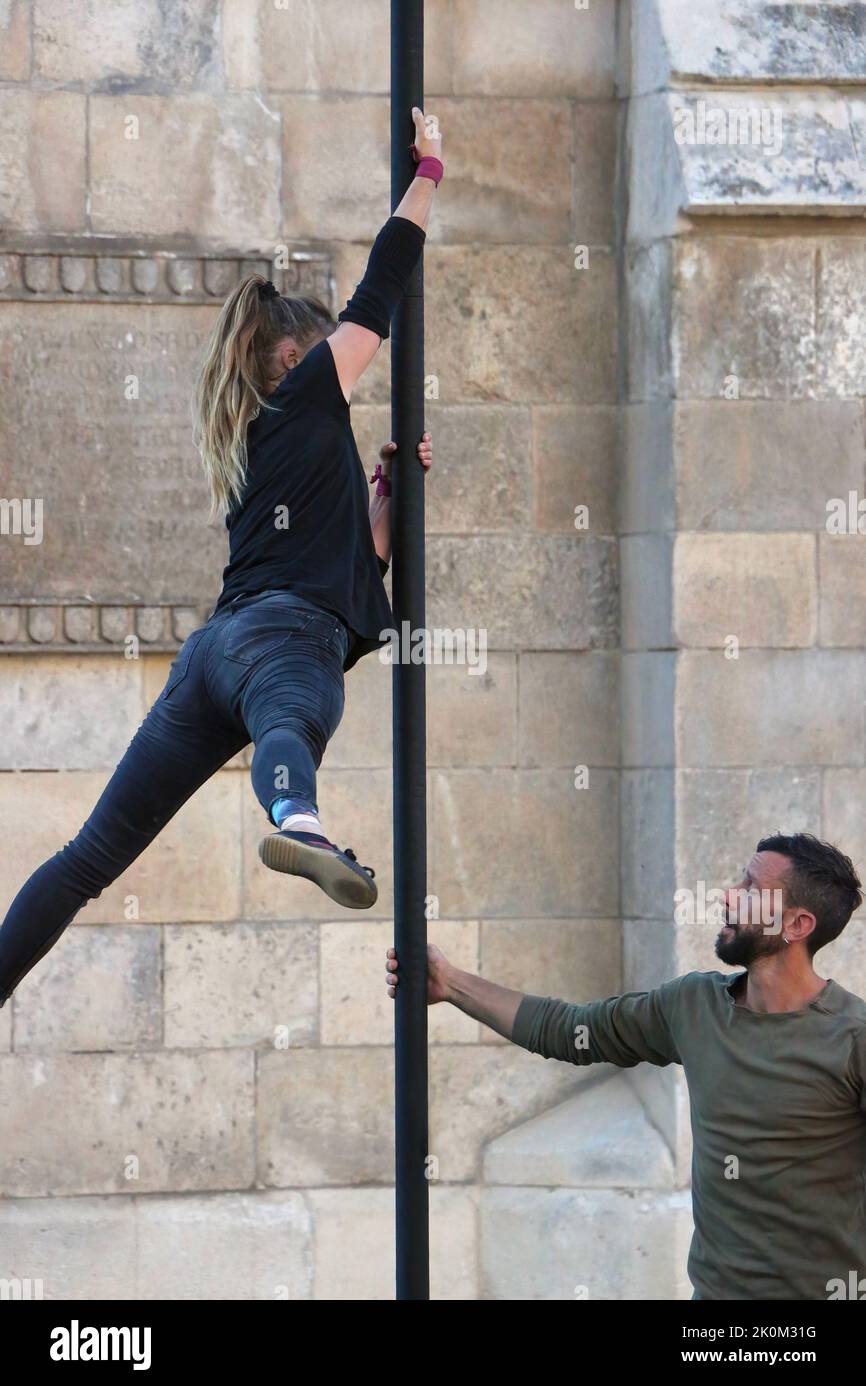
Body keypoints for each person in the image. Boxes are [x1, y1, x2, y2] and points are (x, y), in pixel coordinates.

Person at [0, 107, 444, 1008]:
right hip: (279, 645)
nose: (345, 375)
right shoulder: (308, 390)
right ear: (293, 356)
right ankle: (298, 820)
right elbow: (380, 291)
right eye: (326, 358)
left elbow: (359, 567)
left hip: (212, 659)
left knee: (89, 855)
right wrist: (429, 174)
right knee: (298, 714)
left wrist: (384, 498)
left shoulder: (253, 445)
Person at [386, 832, 866, 1300]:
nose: (727, 896)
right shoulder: (692, 1005)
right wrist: (449, 984)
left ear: (797, 925)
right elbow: (571, 1031)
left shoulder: (852, 1037)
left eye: (750, 889)